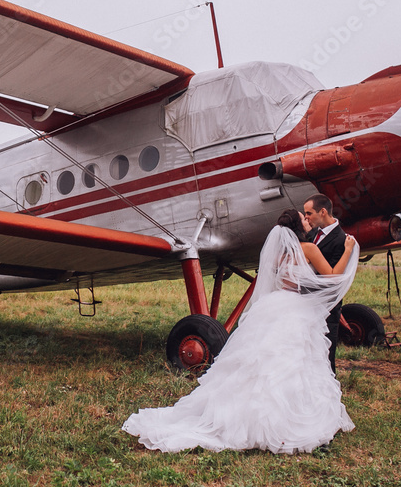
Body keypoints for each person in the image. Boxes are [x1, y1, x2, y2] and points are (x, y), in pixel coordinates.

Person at [121, 208, 358, 454]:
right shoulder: (308, 249)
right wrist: (349, 250)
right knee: (296, 360)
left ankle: (247, 412)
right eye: (303, 219)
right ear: (298, 227)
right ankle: (289, 418)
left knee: (262, 362)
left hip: (274, 304)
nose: (307, 221)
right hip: (294, 308)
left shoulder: (279, 253)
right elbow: (332, 275)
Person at [303, 194, 347, 374]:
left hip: (326, 305)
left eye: (309, 213)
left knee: (326, 351)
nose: (306, 218)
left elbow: (334, 277)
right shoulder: (313, 233)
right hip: (305, 302)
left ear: (323, 212)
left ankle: (329, 389)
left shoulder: (341, 239)